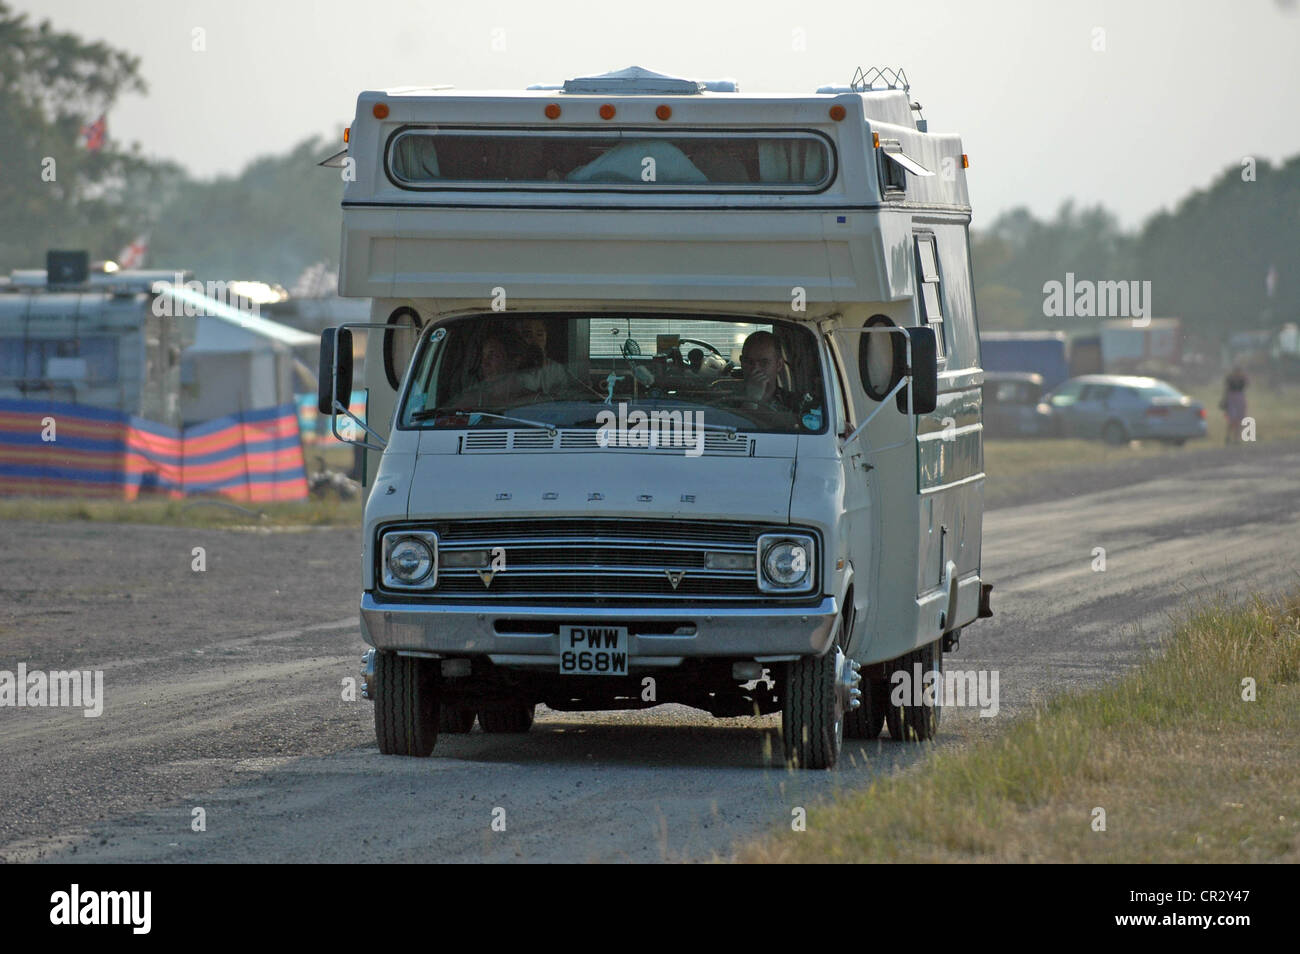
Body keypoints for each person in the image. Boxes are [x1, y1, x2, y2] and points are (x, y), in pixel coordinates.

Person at [739, 330, 801, 414]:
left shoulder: (793, 404)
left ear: (778, 365)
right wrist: (751, 400)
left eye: (764, 362)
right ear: (742, 362)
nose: (755, 369)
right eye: (749, 362)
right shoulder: (727, 399)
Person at [1221, 365, 1248, 444]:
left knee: (1239, 420)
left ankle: (1236, 438)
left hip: (1240, 399)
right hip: (1232, 399)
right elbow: (1227, 389)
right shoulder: (1230, 379)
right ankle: (1228, 437)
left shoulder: (1242, 379)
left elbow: (1247, 385)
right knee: (1232, 420)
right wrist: (1225, 400)